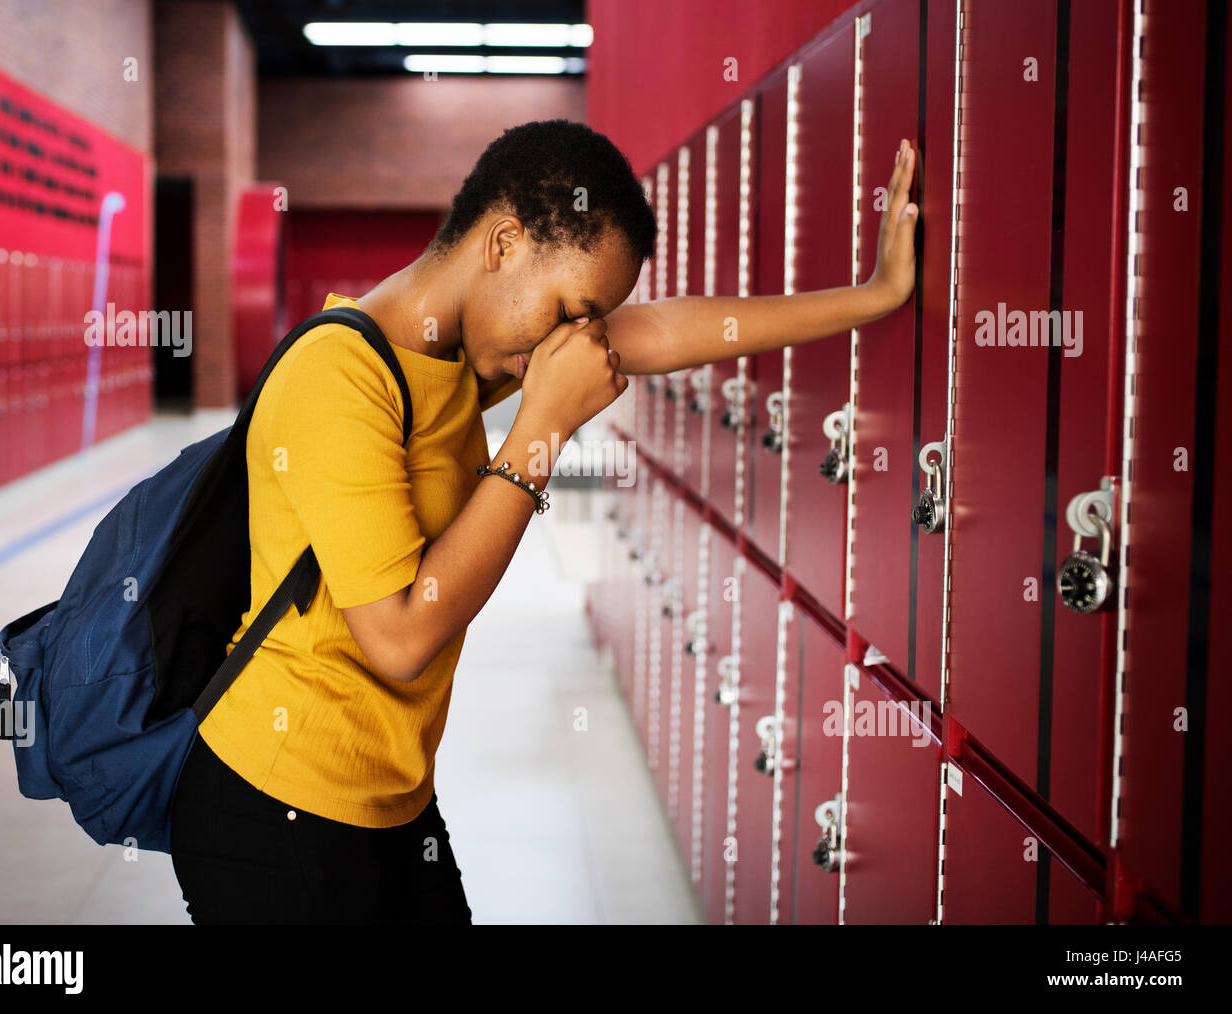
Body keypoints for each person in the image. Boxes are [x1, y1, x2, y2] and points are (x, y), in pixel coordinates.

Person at [168, 119, 919, 924]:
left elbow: (666, 330)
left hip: (390, 799)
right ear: (503, 243)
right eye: (569, 308)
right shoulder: (339, 374)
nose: (571, 343)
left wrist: (874, 296)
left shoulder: (453, 356)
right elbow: (397, 638)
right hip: (275, 806)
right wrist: (541, 432)